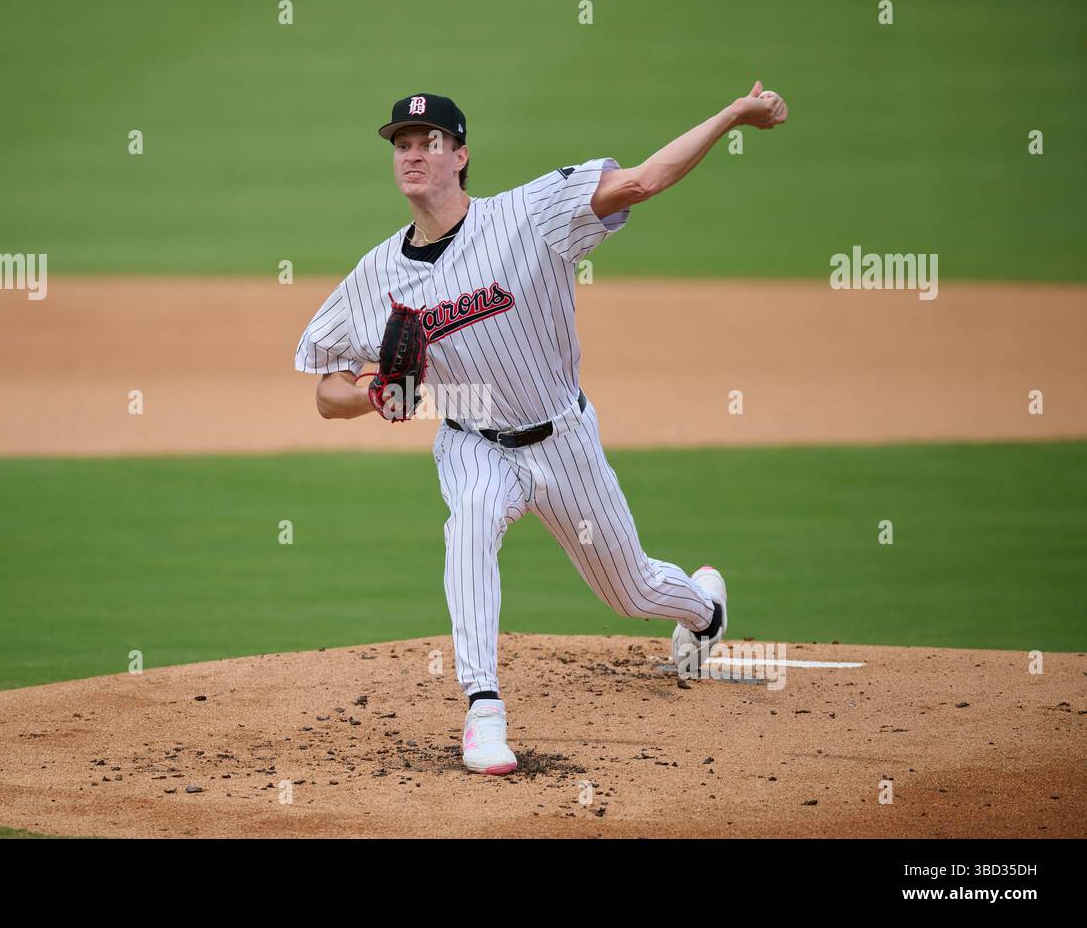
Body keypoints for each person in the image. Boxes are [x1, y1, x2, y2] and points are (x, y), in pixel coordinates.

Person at [294, 85, 788, 774]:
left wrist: (734, 115)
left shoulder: (531, 215)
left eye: (428, 142)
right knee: (468, 521)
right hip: (472, 443)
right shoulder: (377, 274)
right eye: (402, 145)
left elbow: (644, 180)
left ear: (460, 154)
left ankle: (704, 612)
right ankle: (483, 712)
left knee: (633, 591)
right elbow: (325, 391)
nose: (412, 154)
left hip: (563, 441)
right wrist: (376, 395)